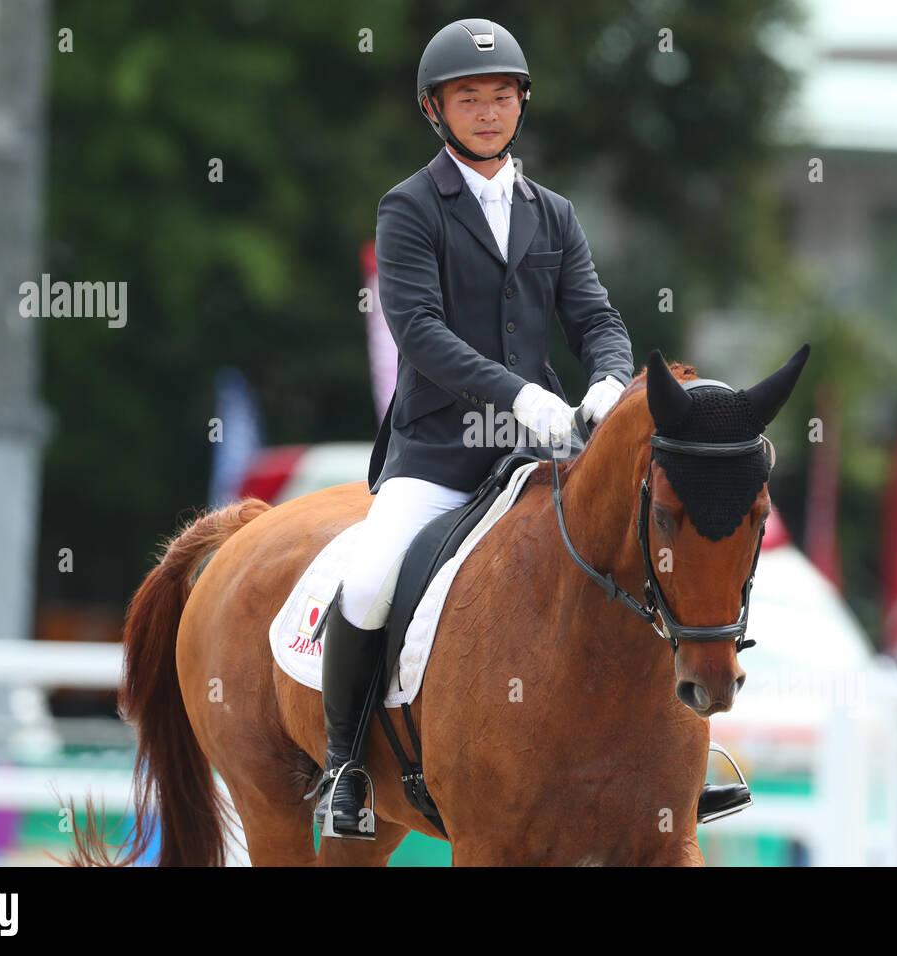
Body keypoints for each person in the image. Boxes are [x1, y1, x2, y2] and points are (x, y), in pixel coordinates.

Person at [312, 18, 742, 839]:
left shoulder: (553, 213)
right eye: (468, 99)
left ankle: (678, 763)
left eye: (501, 96)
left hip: (541, 455)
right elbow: (420, 331)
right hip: (439, 451)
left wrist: (610, 379)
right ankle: (347, 769)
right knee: (369, 578)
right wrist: (521, 396)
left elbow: (596, 316)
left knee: (633, 561)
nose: (487, 112)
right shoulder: (409, 208)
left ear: (521, 105)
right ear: (435, 111)